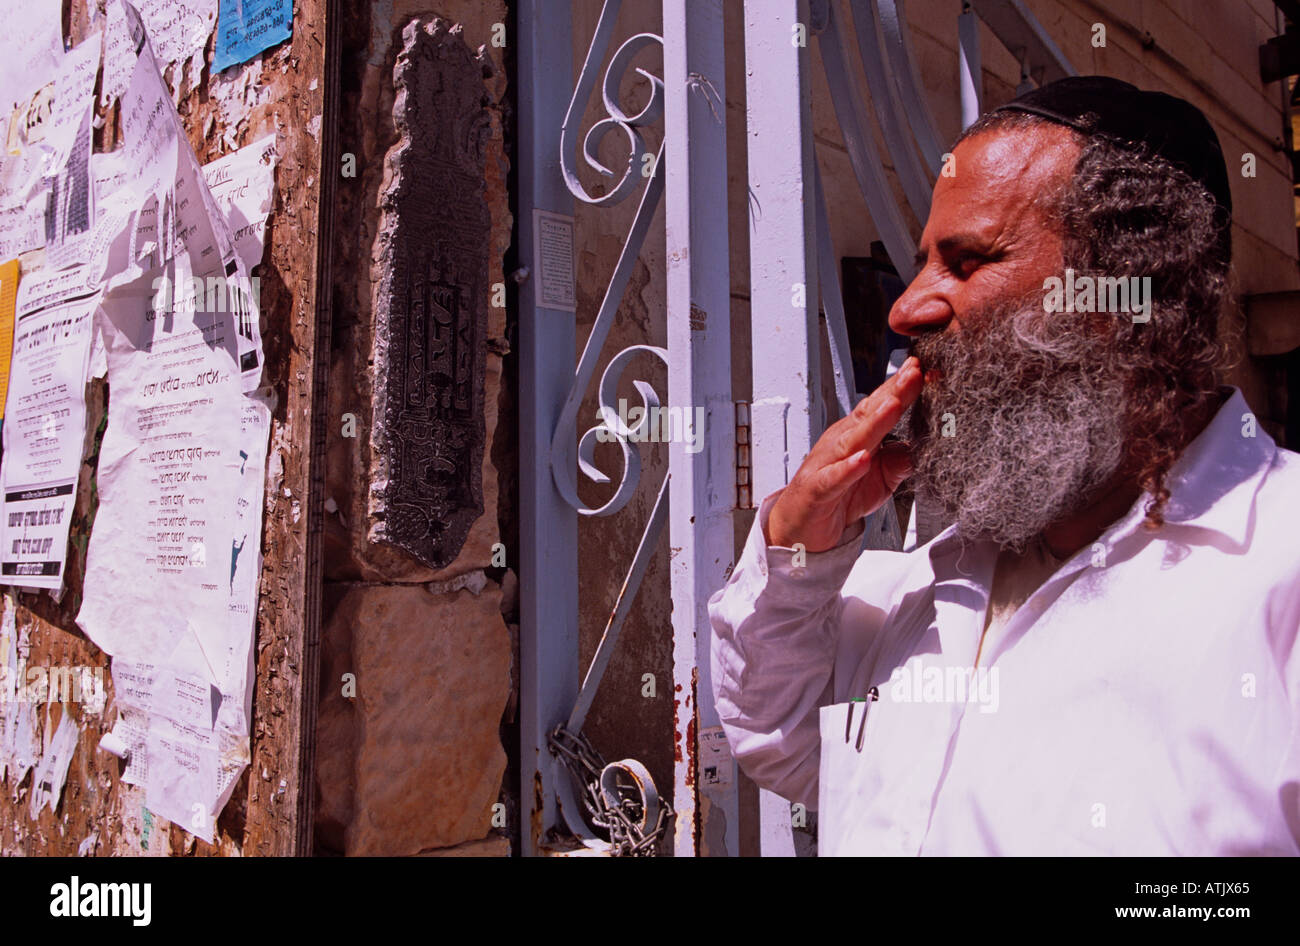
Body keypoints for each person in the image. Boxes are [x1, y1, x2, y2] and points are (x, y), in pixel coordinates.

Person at [708, 76, 1300, 856]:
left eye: (968, 261)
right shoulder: (939, 572)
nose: (906, 307)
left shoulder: (1278, 566)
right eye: (922, 263)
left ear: (1129, 293)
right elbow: (783, 732)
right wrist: (796, 549)